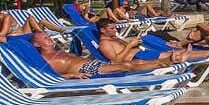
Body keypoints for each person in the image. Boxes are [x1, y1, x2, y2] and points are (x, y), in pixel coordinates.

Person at [28, 30, 169, 78]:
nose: (50, 39)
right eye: (46, 38)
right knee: (126, 65)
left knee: (134, 63)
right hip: (86, 70)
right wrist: (71, 75)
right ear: (36, 44)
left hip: (92, 64)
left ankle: (168, 62)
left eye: (49, 36)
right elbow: (43, 75)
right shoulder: (42, 58)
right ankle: (165, 63)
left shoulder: (58, 51)